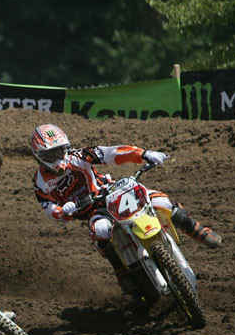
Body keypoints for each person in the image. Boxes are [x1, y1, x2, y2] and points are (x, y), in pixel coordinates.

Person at [30, 124, 222, 295]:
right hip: (91, 210)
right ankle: (120, 270)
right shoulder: (40, 181)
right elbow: (48, 208)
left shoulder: (78, 156)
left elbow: (110, 153)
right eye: (51, 154)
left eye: (60, 151)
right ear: (40, 156)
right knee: (101, 231)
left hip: (110, 193)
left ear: (66, 147)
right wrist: (63, 211)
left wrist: (142, 154)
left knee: (160, 201)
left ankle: (195, 228)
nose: (57, 157)